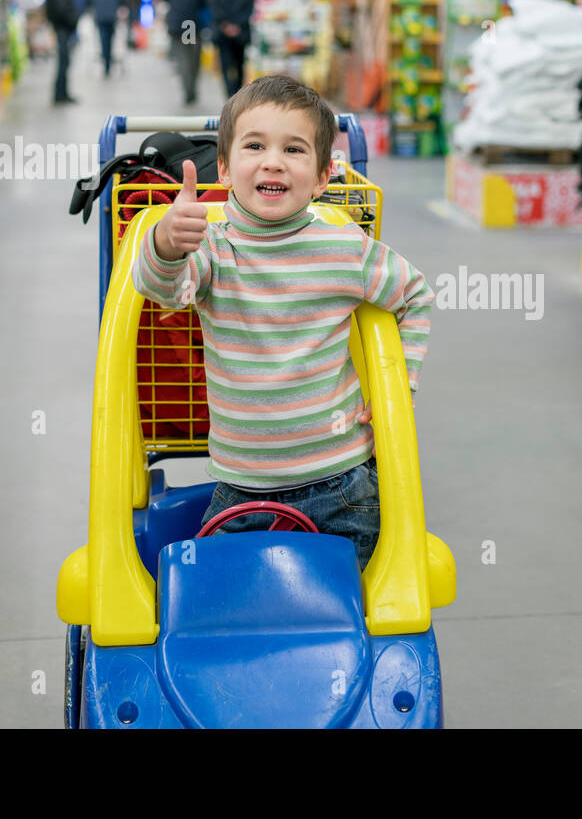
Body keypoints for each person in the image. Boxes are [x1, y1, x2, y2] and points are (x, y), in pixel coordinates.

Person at [131, 75, 433, 571]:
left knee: (338, 620)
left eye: (294, 149)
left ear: (321, 176)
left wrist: (399, 387)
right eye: (255, 146)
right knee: (237, 620)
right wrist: (167, 241)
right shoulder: (214, 247)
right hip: (238, 494)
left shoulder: (345, 248)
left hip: (343, 488)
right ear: (225, 167)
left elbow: (416, 294)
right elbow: (165, 289)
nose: (273, 161)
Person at [162, 0, 208, 104]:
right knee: (193, 59)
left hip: (176, 26)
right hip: (191, 25)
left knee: (182, 59)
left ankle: (187, 89)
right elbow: (203, 3)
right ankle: (191, 89)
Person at [208, 0, 255, 97]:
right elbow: (249, 11)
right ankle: (238, 93)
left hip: (223, 35)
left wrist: (225, 25)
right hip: (240, 34)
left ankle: (229, 94)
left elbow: (215, 9)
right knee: (239, 64)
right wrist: (237, 26)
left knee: (225, 65)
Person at [44, 0, 79, 105]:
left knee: (65, 62)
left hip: (62, 27)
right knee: (63, 61)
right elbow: (60, 8)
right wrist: (72, 21)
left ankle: (62, 92)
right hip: (62, 27)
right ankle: (60, 94)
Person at [91, 0, 125, 77]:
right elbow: (121, 1)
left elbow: (90, 1)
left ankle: (106, 60)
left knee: (103, 40)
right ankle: (108, 61)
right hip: (111, 19)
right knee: (110, 40)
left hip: (100, 19)